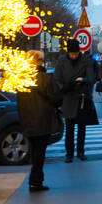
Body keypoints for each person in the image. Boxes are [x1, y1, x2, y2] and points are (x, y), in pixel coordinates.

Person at [15, 50, 62, 192]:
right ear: (40, 61)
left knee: (34, 150)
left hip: (27, 119)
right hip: (42, 120)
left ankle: (35, 180)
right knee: (40, 152)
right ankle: (35, 181)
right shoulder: (45, 78)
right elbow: (56, 98)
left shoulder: (20, 79)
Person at [54, 38, 97, 162]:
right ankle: (69, 153)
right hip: (68, 97)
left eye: (76, 54)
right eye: (71, 54)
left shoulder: (85, 61)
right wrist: (63, 87)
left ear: (79, 52)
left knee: (82, 128)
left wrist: (82, 80)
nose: (73, 56)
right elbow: (56, 78)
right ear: (68, 52)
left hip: (81, 97)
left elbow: (91, 77)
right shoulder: (61, 60)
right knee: (69, 128)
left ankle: (81, 151)